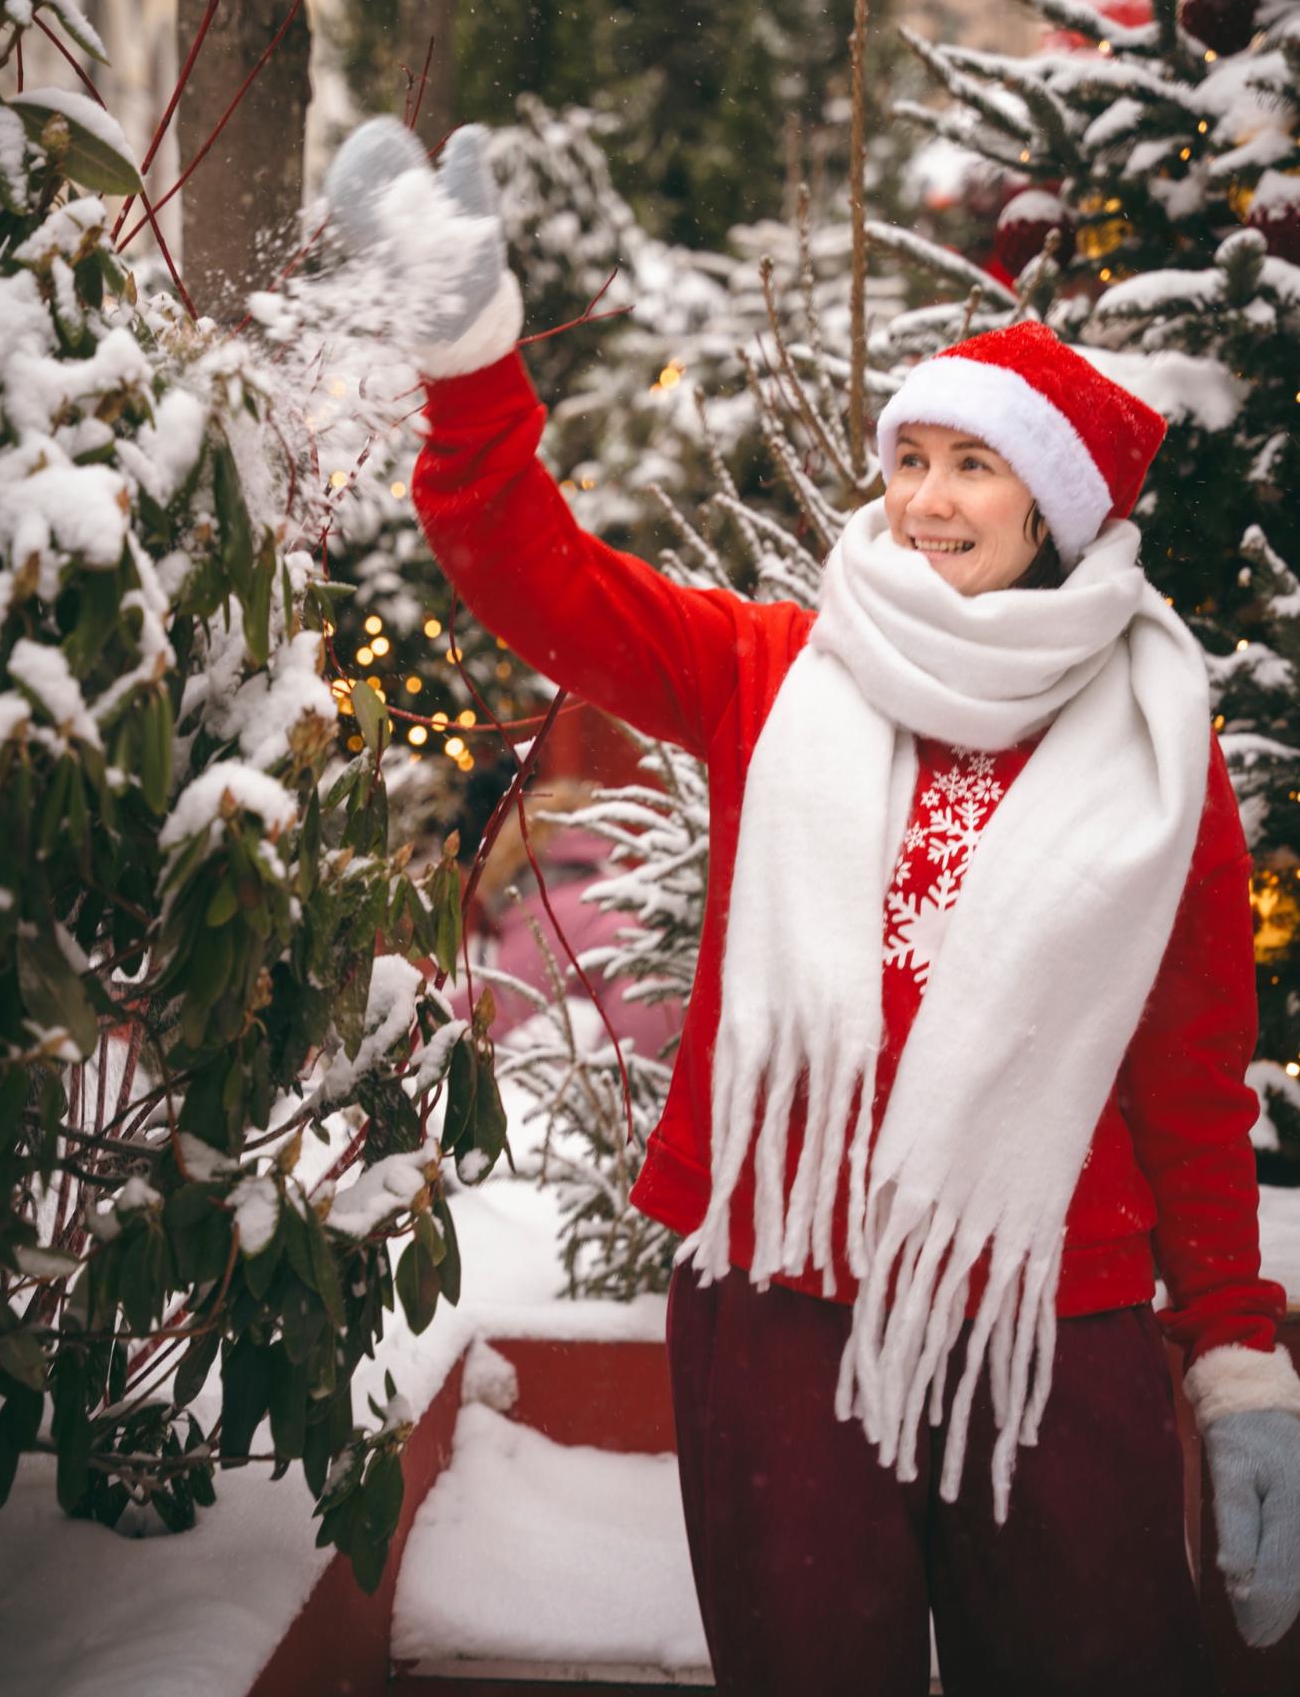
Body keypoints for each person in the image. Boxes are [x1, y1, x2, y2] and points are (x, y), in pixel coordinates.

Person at [326, 119, 1300, 1697]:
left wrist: (1238, 1362)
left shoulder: (1147, 744)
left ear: (1053, 509)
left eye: (971, 466)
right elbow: (534, 572)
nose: (921, 502)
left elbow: (1187, 1072)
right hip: (780, 1303)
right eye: (908, 459)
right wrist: (468, 367)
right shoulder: (778, 670)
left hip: (1054, 1322)